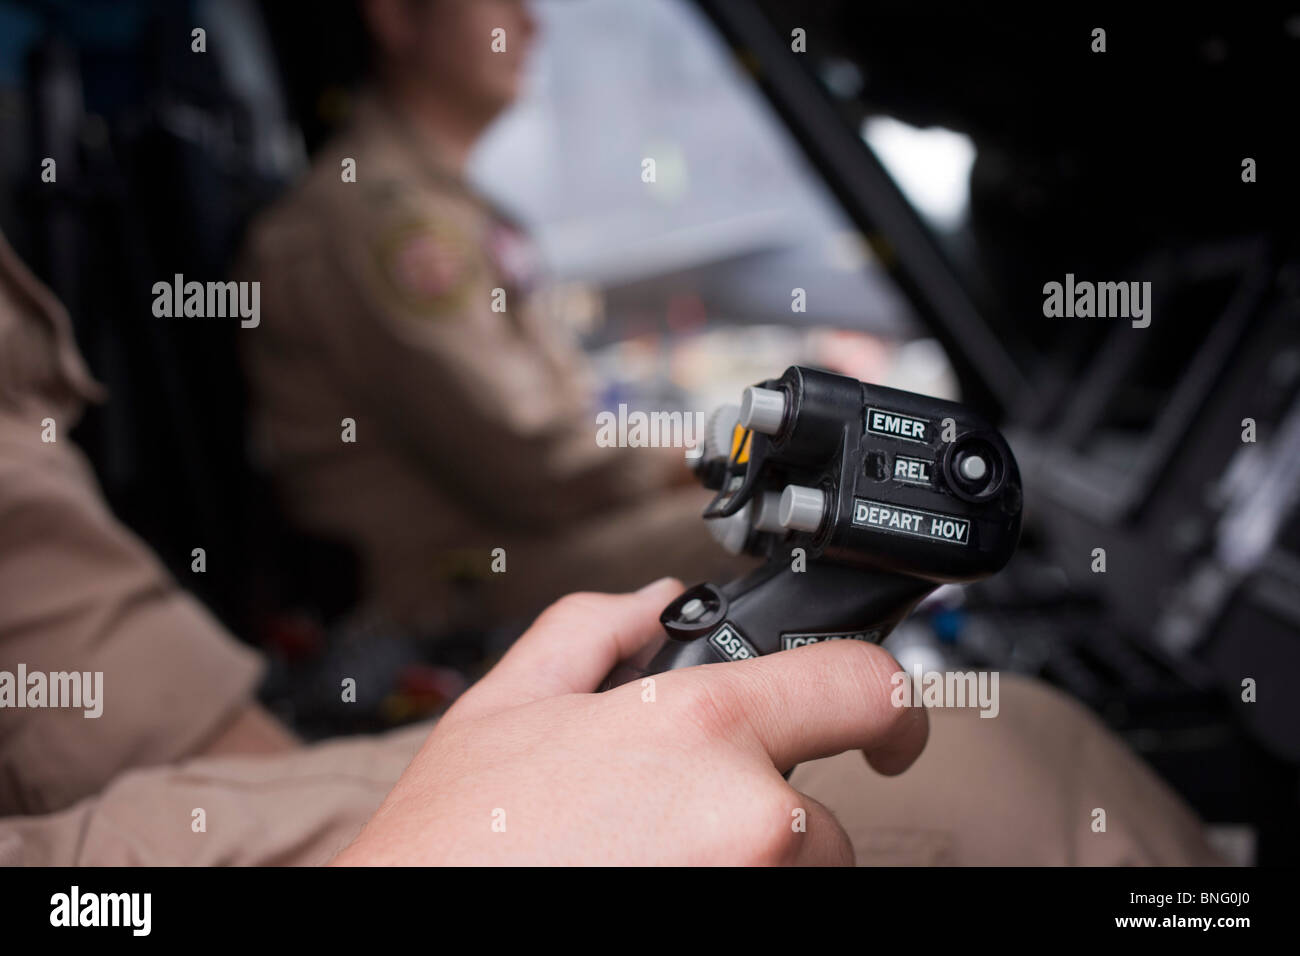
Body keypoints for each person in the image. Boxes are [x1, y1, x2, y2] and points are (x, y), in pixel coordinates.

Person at [0, 227, 1220, 866]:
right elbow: (521, 461)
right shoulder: (386, 217)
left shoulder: (448, 209)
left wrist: (363, 785)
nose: (520, 22)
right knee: (1019, 771)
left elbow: (89, 657)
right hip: (445, 566)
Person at [238, 0, 733, 636]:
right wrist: (708, 451)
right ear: (394, 17)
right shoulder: (380, 216)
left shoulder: (430, 202)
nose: (532, 24)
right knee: (791, 525)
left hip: (522, 544)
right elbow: (536, 464)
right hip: (455, 592)